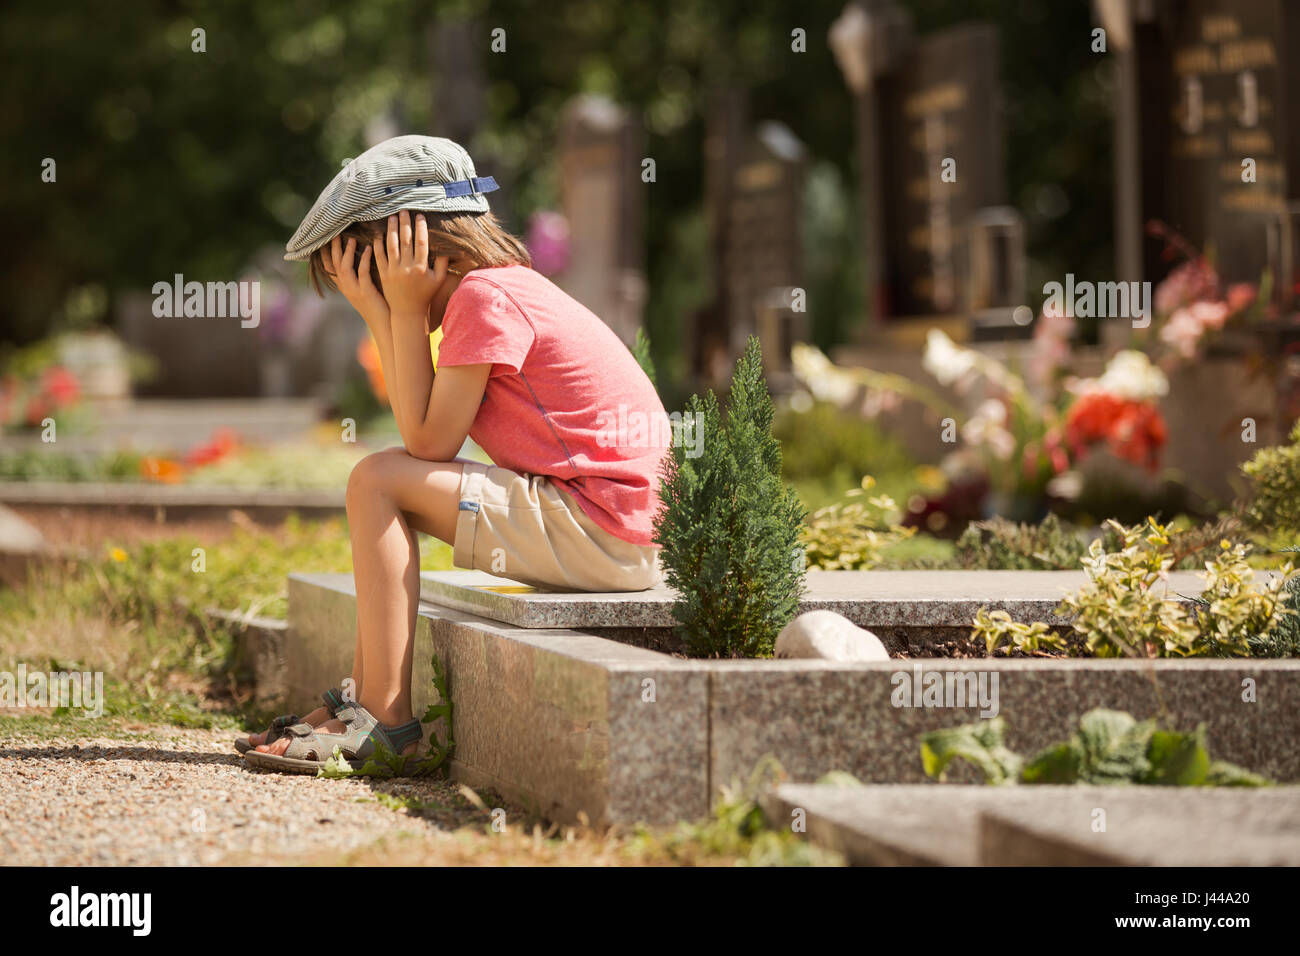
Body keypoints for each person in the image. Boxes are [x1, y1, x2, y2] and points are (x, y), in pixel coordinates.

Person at [240, 135, 667, 773]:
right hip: (610, 529)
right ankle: (361, 700)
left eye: (369, 276)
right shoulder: (498, 290)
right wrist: (391, 313)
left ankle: (385, 720)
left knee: (375, 480)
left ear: (406, 248)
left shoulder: (485, 299)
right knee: (380, 477)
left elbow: (427, 445)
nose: (373, 294)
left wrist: (400, 311)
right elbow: (423, 433)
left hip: (601, 529)